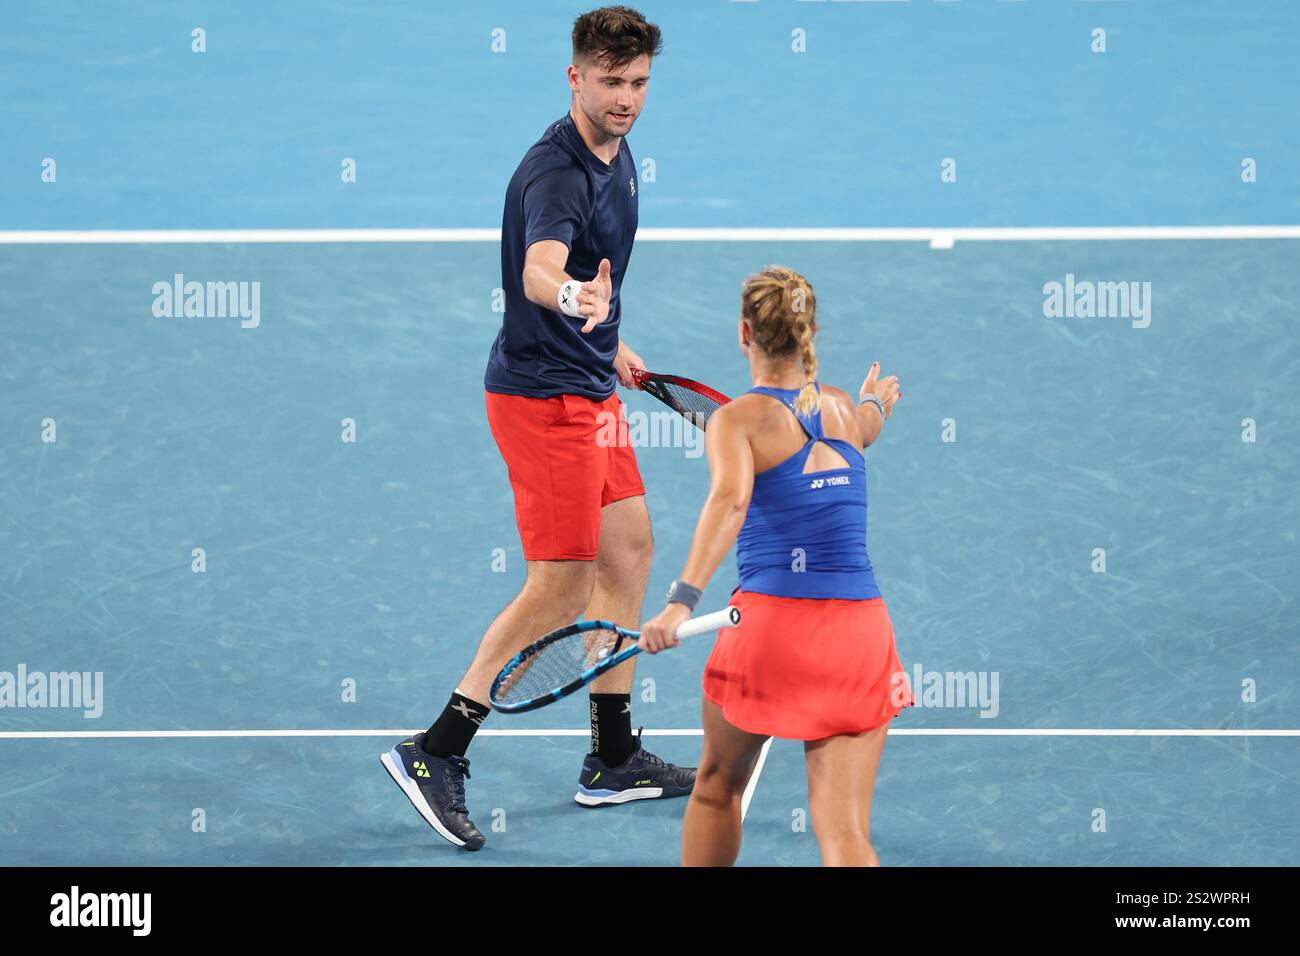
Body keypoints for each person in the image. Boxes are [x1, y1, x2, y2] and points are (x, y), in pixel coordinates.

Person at [380, 6, 694, 852]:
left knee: (628, 548)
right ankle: (435, 749)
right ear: (574, 76)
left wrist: (613, 339)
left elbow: (590, 279)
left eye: (638, 84)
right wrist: (573, 300)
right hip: (543, 404)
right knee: (559, 582)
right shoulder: (555, 174)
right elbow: (539, 268)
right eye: (609, 81)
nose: (626, 99)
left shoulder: (618, 152)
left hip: (591, 387)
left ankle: (613, 755)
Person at [639, 265, 914, 867]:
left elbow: (730, 503)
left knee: (716, 789)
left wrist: (680, 602)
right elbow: (865, 428)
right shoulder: (841, 407)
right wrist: (875, 404)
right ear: (811, 329)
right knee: (844, 832)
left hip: (770, 633)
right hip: (860, 637)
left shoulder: (736, 421)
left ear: (744, 333)